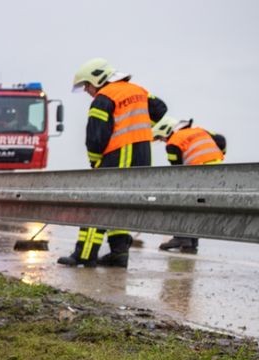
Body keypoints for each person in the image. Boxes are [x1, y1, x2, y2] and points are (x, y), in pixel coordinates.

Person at [60, 58, 167, 268]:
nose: (87, 91)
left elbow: (95, 137)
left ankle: (85, 255)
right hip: (142, 156)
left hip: (120, 153)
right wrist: (140, 128)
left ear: (96, 79)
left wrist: (95, 161)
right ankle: (119, 253)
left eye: (87, 85)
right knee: (119, 203)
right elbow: (160, 109)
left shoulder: (103, 98)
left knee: (96, 203)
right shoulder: (138, 90)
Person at [152, 116, 227, 253]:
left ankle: (181, 238)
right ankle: (190, 242)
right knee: (196, 205)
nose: (163, 141)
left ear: (167, 131)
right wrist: (219, 155)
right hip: (218, 173)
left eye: (161, 138)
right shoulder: (199, 130)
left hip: (199, 172)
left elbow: (178, 171)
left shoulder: (173, 143)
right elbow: (221, 140)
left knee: (181, 199)